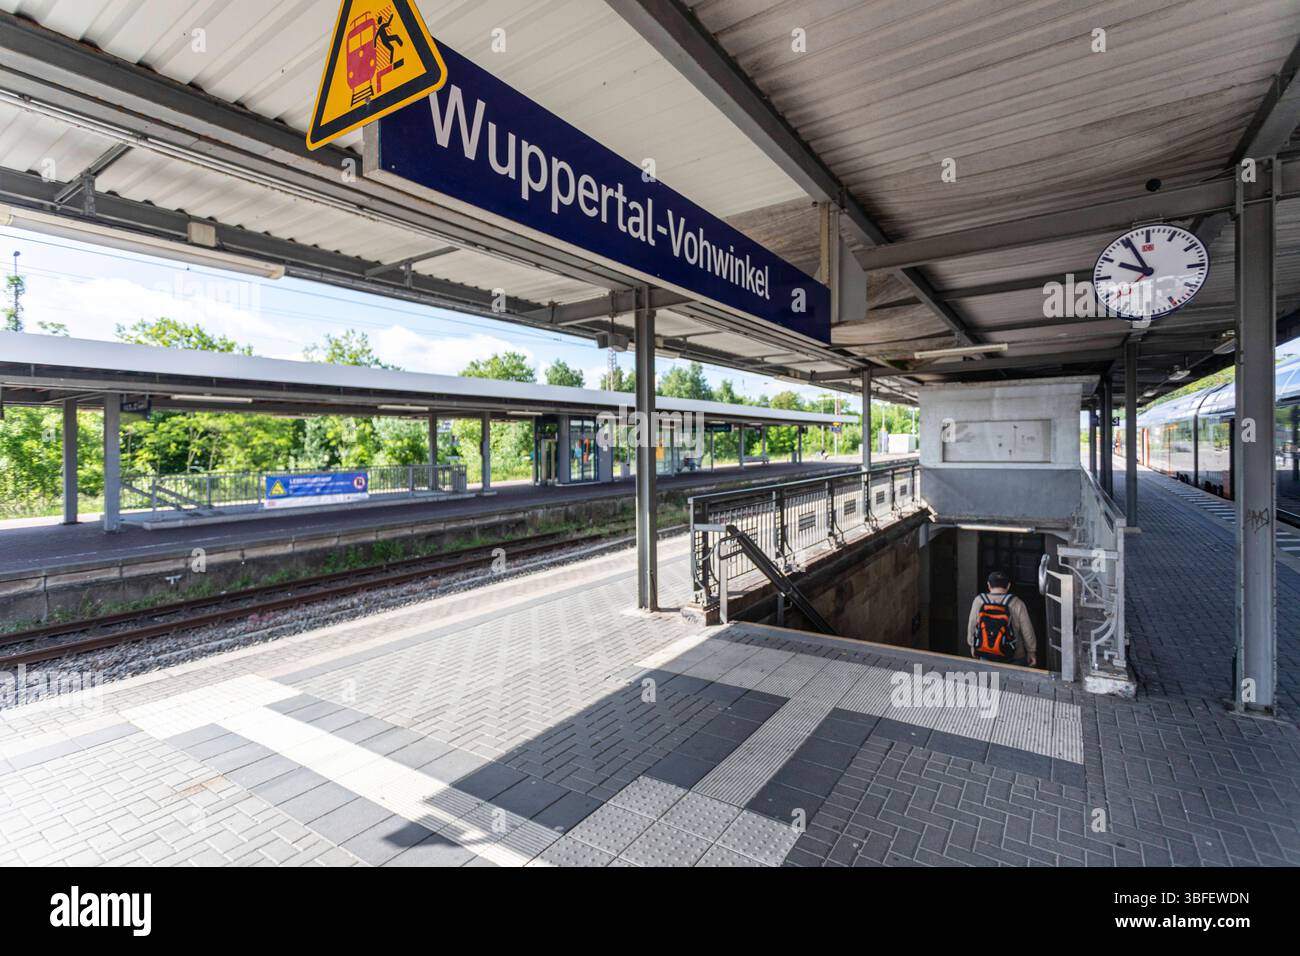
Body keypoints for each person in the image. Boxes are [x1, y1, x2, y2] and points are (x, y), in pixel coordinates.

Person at [967, 571, 1038, 667]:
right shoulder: (1017, 602)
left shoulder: (979, 601)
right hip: (1014, 655)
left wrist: (973, 646)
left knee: (990, 681)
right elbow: (1027, 630)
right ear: (1008, 586)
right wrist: (1031, 652)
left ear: (988, 585)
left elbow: (972, 625)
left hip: (986, 652)